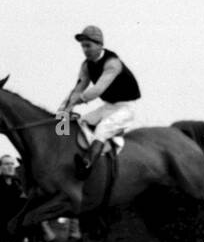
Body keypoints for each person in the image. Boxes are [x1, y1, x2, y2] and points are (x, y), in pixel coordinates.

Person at [57, 25, 141, 175]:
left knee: (102, 130)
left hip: (126, 108)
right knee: (81, 122)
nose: (85, 50)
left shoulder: (112, 63)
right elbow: (78, 88)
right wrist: (64, 109)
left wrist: (76, 101)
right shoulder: (86, 65)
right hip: (108, 107)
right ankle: (97, 153)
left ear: (99, 45)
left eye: (88, 45)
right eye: (83, 46)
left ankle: (86, 167)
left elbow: (97, 90)